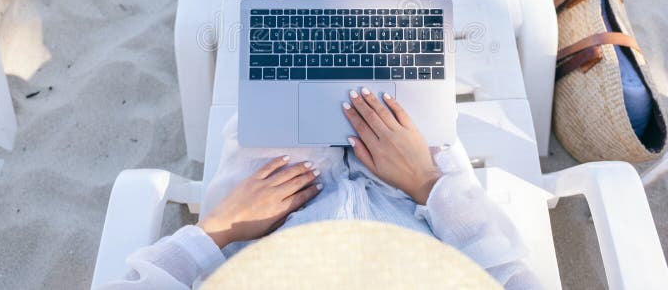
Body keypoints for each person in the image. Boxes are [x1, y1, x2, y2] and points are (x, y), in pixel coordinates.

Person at [98, 88, 541, 289]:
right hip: (418, 204)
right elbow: (510, 277)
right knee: (393, 41)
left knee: (291, 23)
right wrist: (427, 183)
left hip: (270, 205)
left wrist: (217, 228)